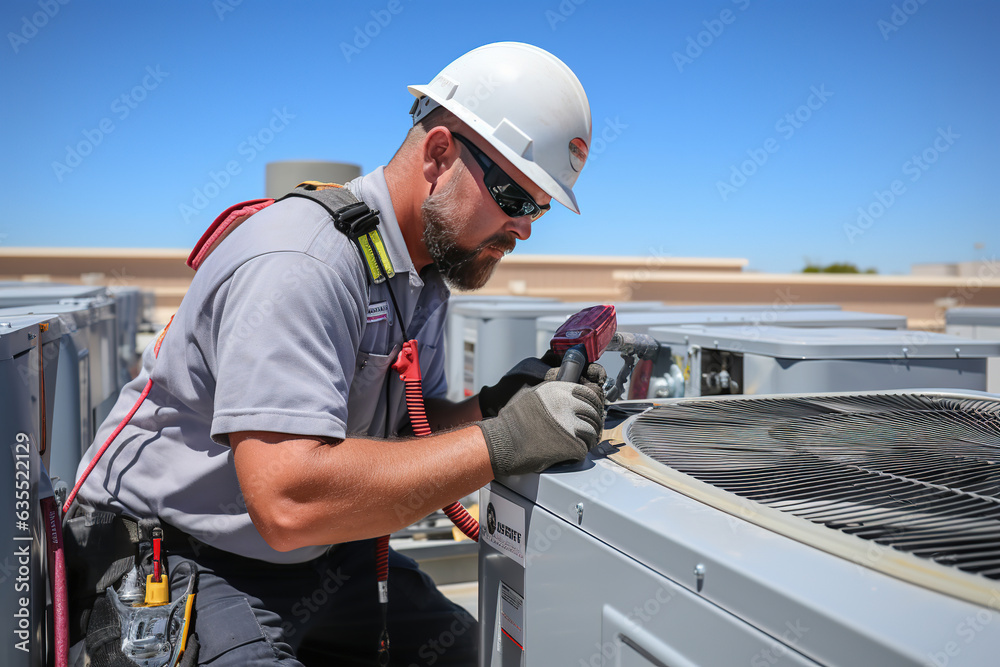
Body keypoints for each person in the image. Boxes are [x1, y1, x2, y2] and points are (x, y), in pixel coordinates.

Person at [66, 41, 604, 666]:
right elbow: (288, 500)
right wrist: (502, 443)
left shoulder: (420, 276)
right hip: (185, 559)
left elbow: (406, 434)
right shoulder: (303, 263)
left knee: (462, 652)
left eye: (540, 208)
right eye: (517, 199)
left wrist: (495, 407)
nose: (526, 227)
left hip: (315, 555)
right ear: (439, 154)